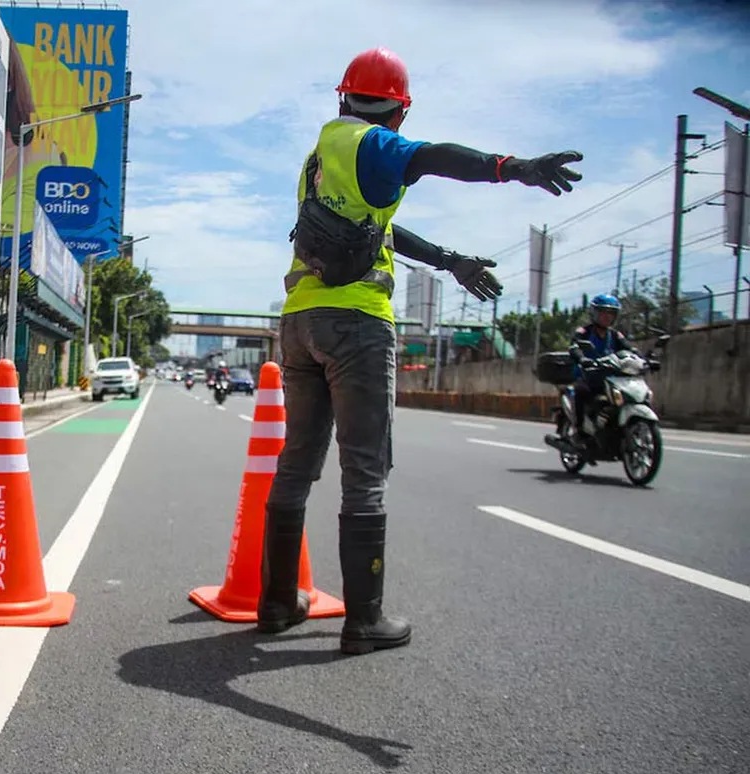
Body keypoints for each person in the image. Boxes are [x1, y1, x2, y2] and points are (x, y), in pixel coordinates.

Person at [258, 46, 585, 656]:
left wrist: (447, 259)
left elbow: (376, 228)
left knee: (296, 463)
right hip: (356, 322)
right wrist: (513, 167)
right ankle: (365, 621)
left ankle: (278, 603)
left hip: (299, 320)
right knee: (365, 471)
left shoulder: (319, 157)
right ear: (399, 112)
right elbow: (435, 159)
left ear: (342, 97)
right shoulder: (375, 145)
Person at [567, 294, 631, 445]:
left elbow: (629, 349)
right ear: (594, 313)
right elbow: (574, 346)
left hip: (610, 378)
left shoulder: (615, 335)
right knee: (581, 392)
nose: (607, 317)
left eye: (611, 313)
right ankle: (579, 430)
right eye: (603, 312)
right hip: (587, 376)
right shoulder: (584, 332)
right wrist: (582, 359)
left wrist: (645, 359)